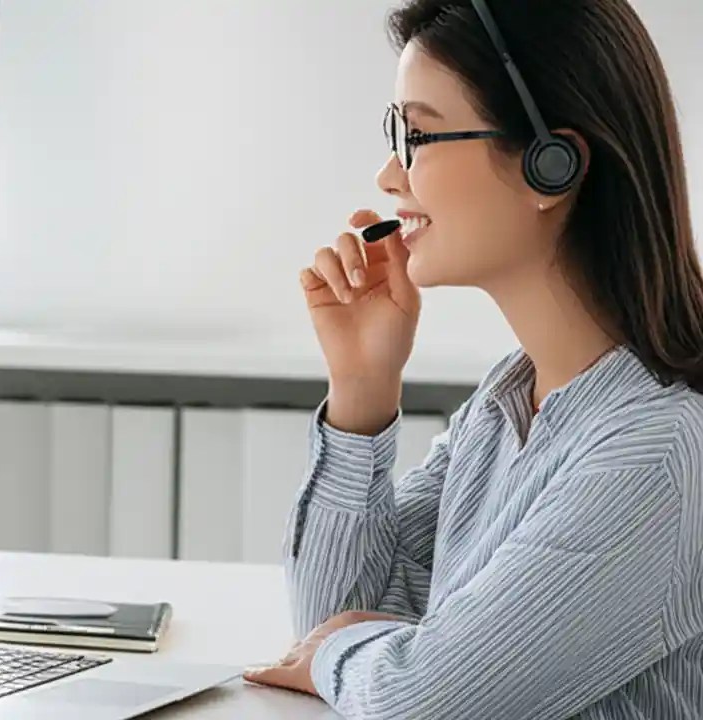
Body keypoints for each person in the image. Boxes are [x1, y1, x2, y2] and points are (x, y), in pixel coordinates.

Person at [241, 0, 703, 718]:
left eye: (419, 134)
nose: (390, 175)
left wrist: (348, 654)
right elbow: (335, 615)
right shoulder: (505, 406)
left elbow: (423, 701)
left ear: (551, 166)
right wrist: (362, 392)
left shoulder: (655, 453)